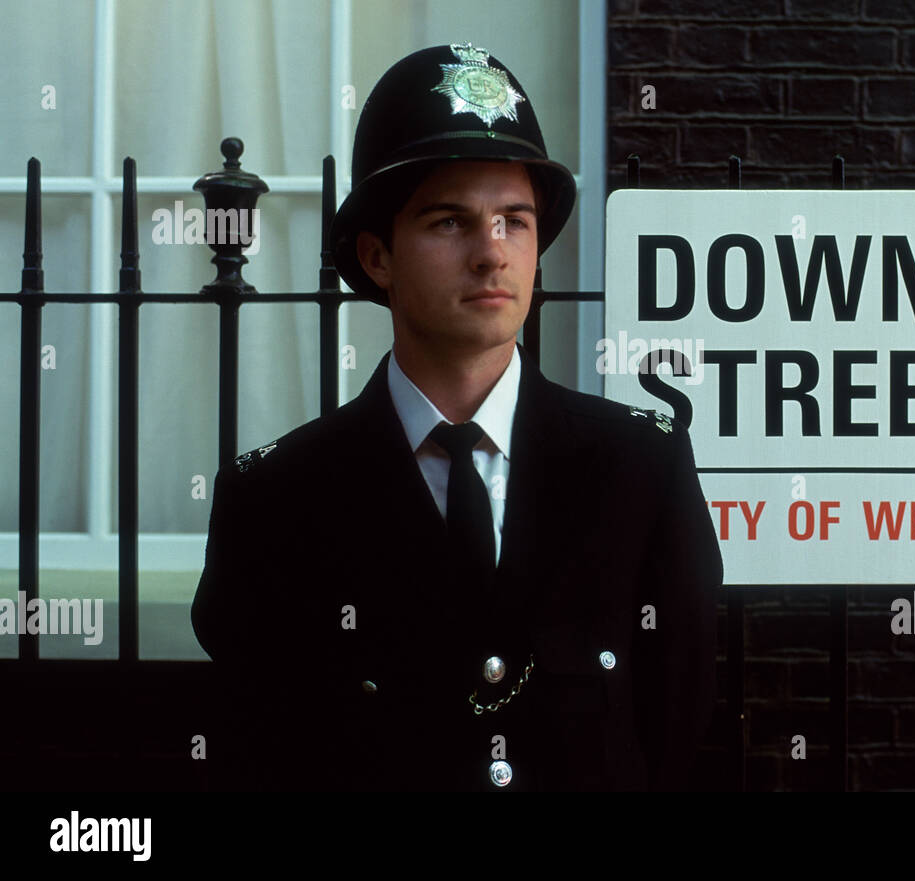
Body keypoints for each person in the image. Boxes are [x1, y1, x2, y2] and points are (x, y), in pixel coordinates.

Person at [190, 43, 724, 791]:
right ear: (378, 257)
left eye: (515, 220)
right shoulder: (278, 500)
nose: (491, 253)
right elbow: (262, 751)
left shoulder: (640, 468)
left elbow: (677, 730)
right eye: (449, 222)